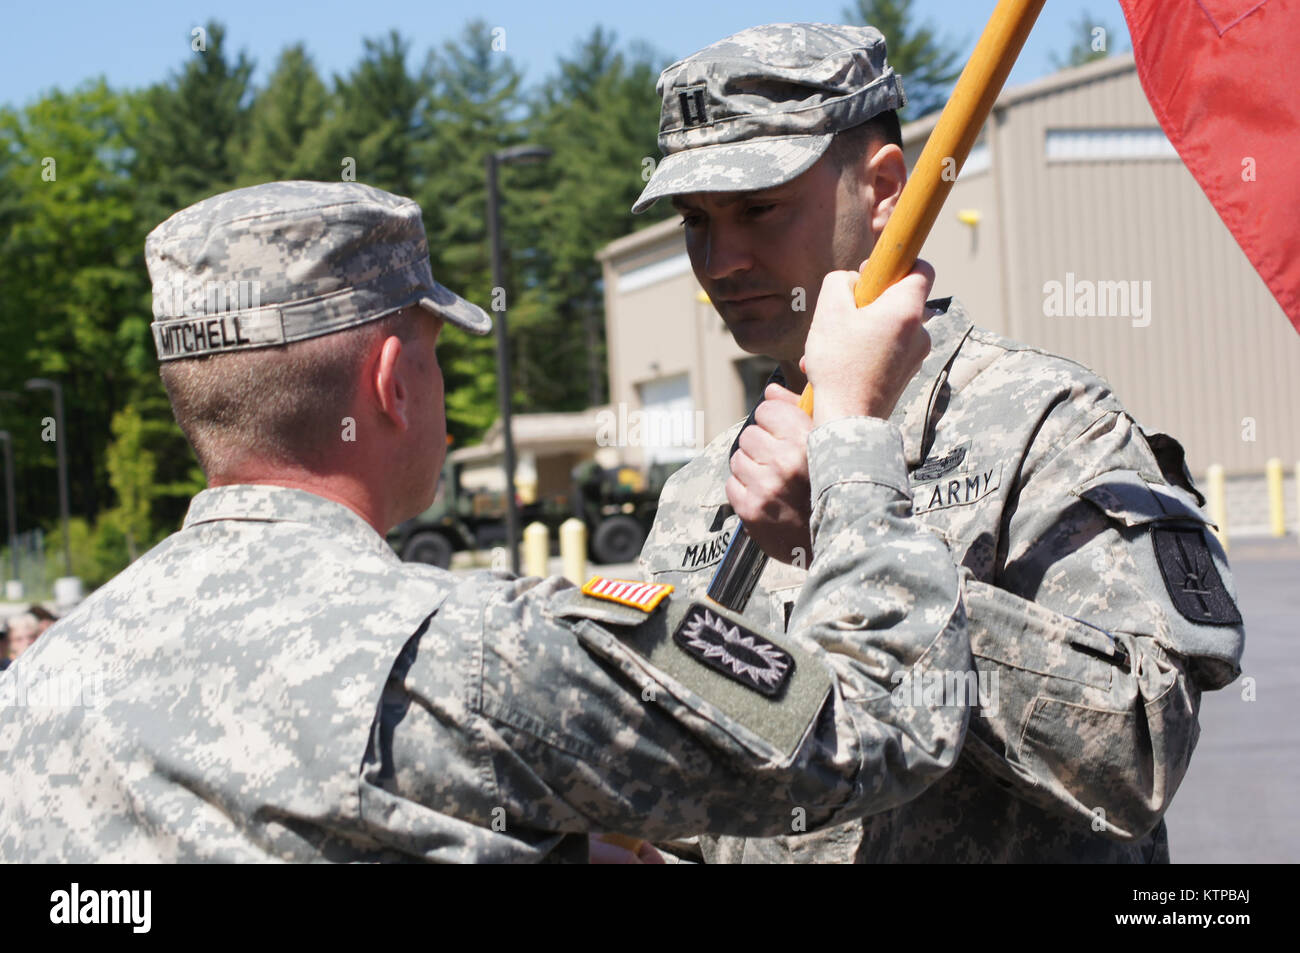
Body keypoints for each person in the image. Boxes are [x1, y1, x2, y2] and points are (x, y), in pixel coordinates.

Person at [0, 180, 970, 862]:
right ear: (389, 382)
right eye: (430, 353)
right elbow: (881, 721)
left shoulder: (35, 687)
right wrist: (850, 426)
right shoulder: (472, 652)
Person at [631, 22, 1245, 862]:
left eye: (759, 209)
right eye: (695, 221)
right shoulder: (706, 487)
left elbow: (1137, 758)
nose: (721, 259)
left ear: (885, 188)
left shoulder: (1046, 421)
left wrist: (850, 525)